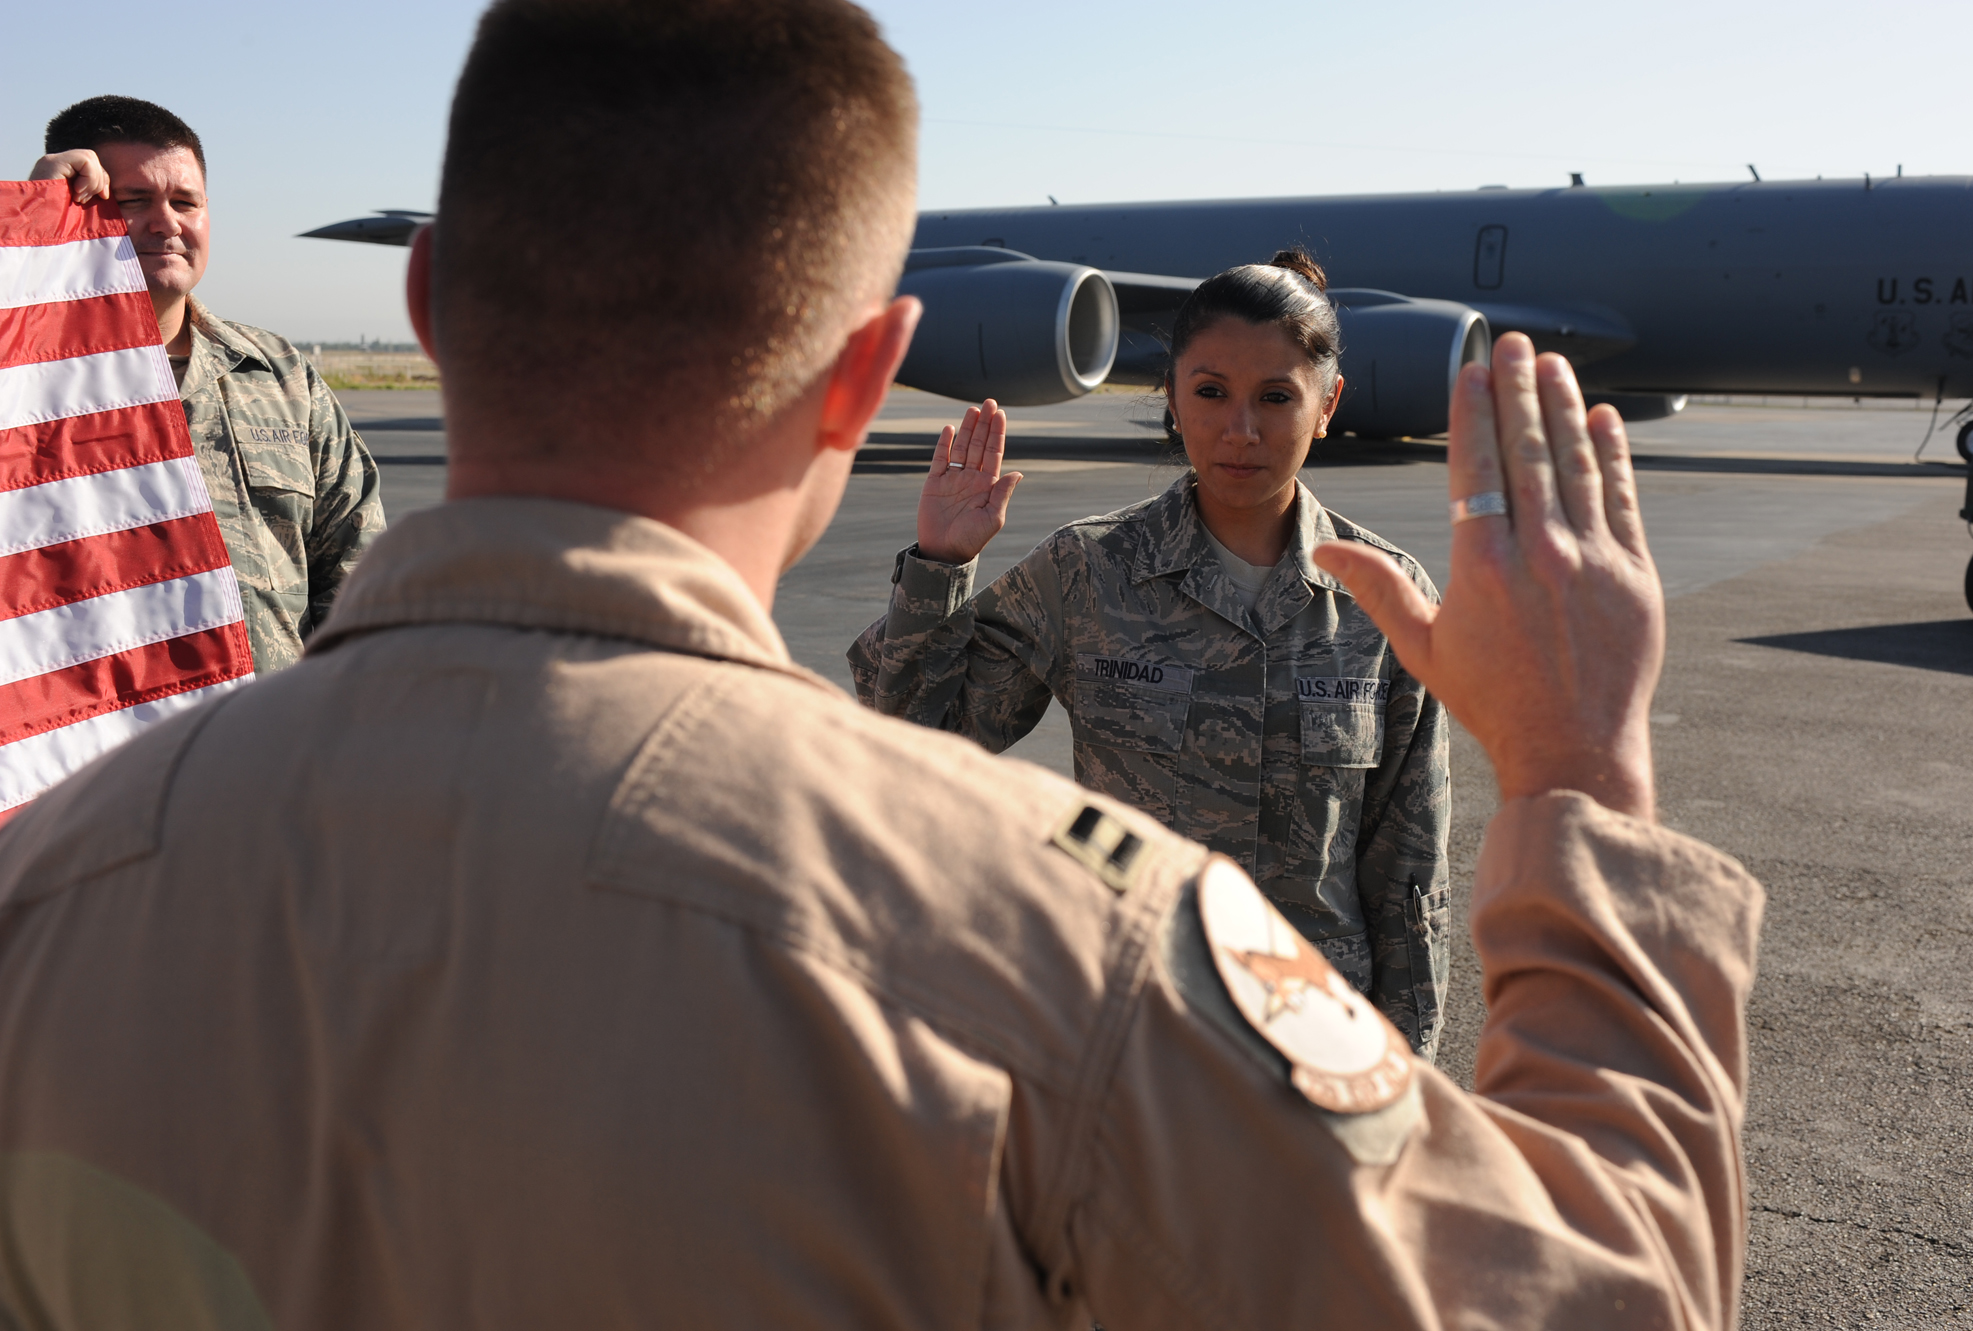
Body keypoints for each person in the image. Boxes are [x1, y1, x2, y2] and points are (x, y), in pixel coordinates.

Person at [0, 1, 1762, 1327]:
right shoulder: (1075, 950)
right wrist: (1582, 782)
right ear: (872, 374)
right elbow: (1598, 1290)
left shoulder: (52, 893)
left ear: (435, 308)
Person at [849, 259, 1451, 1058]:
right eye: (1210, 392)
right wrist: (939, 567)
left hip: (1315, 1034)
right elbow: (918, 745)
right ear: (1170, 396)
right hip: (1127, 1030)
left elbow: (1410, 871)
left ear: (1327, 404)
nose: (1241, 429)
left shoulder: (1386, 596)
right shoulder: (1088, 569)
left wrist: (1406, 1075)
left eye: (1276, 396)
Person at [28, 97, 384, 674]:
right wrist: (28, 225)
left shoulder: (278, 373)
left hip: (269, 741)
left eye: (185, 202)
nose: (166, 222)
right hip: (97, 753)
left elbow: (356, 573)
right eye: (133, 201)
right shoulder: (24, 379)